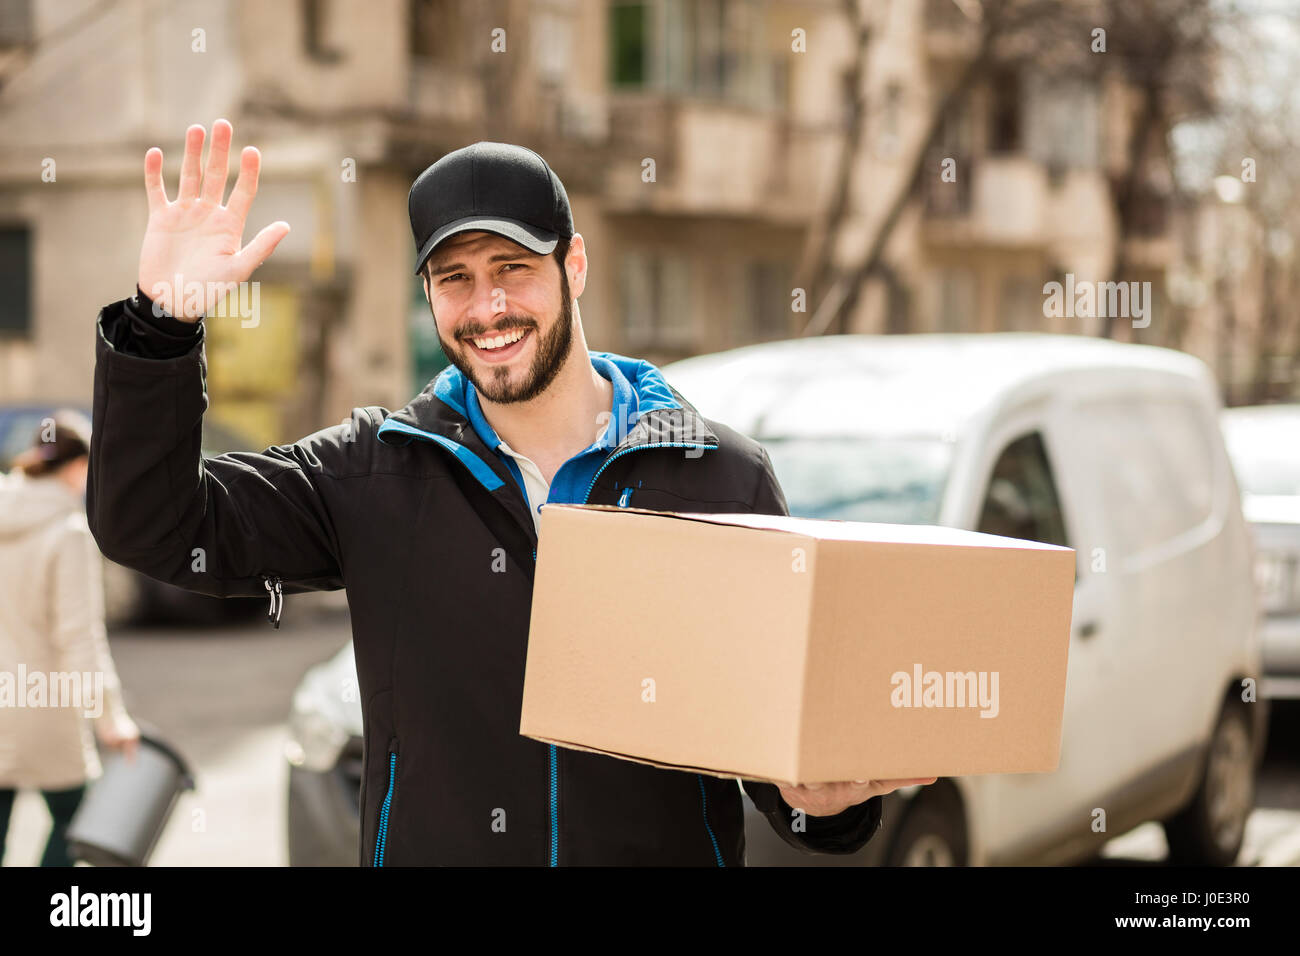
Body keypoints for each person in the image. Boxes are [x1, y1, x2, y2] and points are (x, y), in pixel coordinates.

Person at [87, 119, 935, 866]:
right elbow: (156, 526)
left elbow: (776, 747)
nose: (487, 307)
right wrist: (162, 329)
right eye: (454, 278)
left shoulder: (719, 475)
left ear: (575, 265)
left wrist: (824, 804)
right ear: (428, 295)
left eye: (512, 268)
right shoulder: (373, 471)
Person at [0, 411, 140, 866]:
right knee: (75, 816)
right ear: (80, 466)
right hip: (44, 708)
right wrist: (110, 717)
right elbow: (78, 637)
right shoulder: (70, 533)